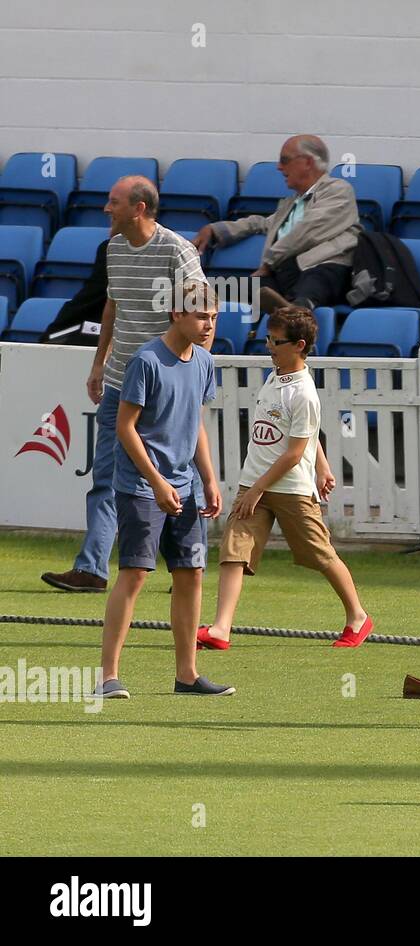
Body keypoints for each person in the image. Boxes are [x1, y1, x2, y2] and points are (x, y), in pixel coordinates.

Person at [42, 176, 208, 593]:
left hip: (165, 383)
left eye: (113, 202)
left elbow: (203, 307)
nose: (105, 209)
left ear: (138, 208)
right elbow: (112, 306)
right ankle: (93, 568)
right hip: (120, 381)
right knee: (107, 476)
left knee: (179, 471)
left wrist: (190, 366)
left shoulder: (177, 249)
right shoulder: (114, 248)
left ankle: (188, 564)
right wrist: (100, 363)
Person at [198, 306, 371, 650]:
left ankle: (358, 617)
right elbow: (306, 436)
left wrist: (258, 489)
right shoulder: (275, 375)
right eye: (268, 339)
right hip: (255, 483)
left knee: (319, 553)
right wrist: (322, 465)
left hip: (289, 488)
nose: (269, 347)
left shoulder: (304, 392)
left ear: (300, 345)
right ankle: (220, 628)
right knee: (235, 551)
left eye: (276, 341)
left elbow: (294, 453)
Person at [95, 282, 230, 699]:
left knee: (191, 574)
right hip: (140, 485)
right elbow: (125, 427)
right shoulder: (146, 361)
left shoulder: (205, 362)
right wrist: (156, 482)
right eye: (200, 316)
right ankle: (107, 677)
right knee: (134, 573)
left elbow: (196, 425)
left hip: (185, 486)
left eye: (212, 317)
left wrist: (208, 478)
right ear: (176, 314)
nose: (208, 325)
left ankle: (187, 675)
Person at [192, 135, 359, 313]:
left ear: (308, 162)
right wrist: (215, 229)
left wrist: (269, 262)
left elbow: (307, 231)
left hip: (322, 269)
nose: (279, 167)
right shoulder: (292, 203)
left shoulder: (338, 191)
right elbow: (262, 223)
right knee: (218, 288)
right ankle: (284, 309)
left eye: (285, 160)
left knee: (316, 279)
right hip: (285, 274)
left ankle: (297, 313)